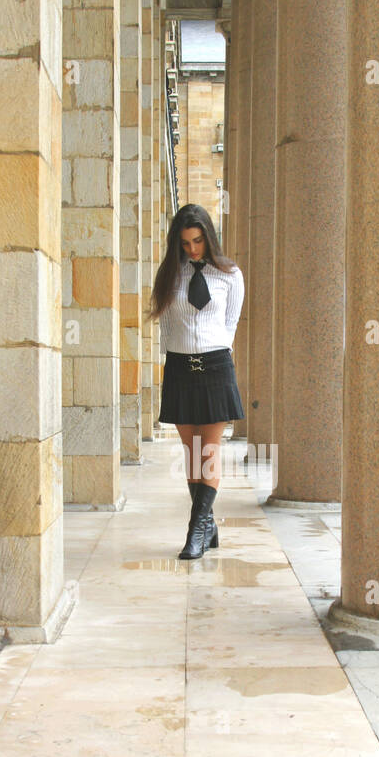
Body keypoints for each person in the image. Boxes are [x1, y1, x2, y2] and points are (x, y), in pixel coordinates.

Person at [148, 203, 245, 559]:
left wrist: (211, 352)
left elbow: (230, 323)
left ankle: (195, 532)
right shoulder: (171, 275)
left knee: (209, 451)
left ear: (209, 237)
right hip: (179, 366)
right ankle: (209, 526)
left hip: (216, 366)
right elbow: (166, 324)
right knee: (192, 454)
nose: (192, 249)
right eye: (186, 242)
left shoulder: (230, 274)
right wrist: (178, 353)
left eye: (198, 241)